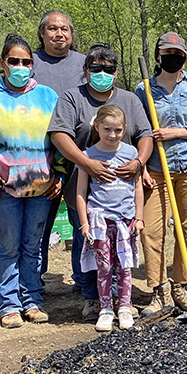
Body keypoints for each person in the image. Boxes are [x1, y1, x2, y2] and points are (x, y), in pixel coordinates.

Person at [0, 34, 64, 327]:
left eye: (26, 62)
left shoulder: (47, 96)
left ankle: (32, 300)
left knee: (32, 246)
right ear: (3, 63)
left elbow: (60, 140)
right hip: (2, 190)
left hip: (41, 188)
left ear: (33, 65)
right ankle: (8, 305)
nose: (20, 66)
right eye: (14, 61)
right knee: (8, 246)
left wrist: (60, 174)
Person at [49, 43, 153, 321]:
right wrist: (87, 164)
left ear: (116, 73)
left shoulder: (130, 100)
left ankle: (121, 298)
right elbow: (59, 134)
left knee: (121, 248)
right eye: (96, 68)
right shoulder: (72, 98)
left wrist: (139, 163)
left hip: (122, 192)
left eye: (108, 69)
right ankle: (91, 298)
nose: (102, 73)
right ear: (85, 70)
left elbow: (145, 135)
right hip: (86, 189)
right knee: (89, 243)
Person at [135, 31, 187, 315]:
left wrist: (178, 132)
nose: (173, 58)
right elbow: (138, 133)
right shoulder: (143, 90)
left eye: (178, 54)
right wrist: (142, 165)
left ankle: (181, 285)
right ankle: (159, 291)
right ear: (158, 56)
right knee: (152, 232)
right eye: (167, 53)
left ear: (185, 56)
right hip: (156, 171)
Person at [76, 105, 144, 333]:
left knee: (124, 267)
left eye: (118, 130)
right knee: (104, 266)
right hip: (99, 221)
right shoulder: (88, 156)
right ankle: (105, 309)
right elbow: (81, 192)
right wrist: (84, 222)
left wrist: (140, 217)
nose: (113, 135)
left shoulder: (132, 153)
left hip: (126, 221)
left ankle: (124, 306)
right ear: (97, 127)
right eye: (107, 129)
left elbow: (138, 188)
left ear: (124, 129)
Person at [35, 10, 88, 276]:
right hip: (40, 157)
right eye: (53, 29)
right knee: (40, 224)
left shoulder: (84, 64)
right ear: (42, 33)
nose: (59, 34)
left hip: (79, 155)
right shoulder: (29, 63)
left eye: (65, 29)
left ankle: (83, 280)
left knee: (81, 221)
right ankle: (34, 282)